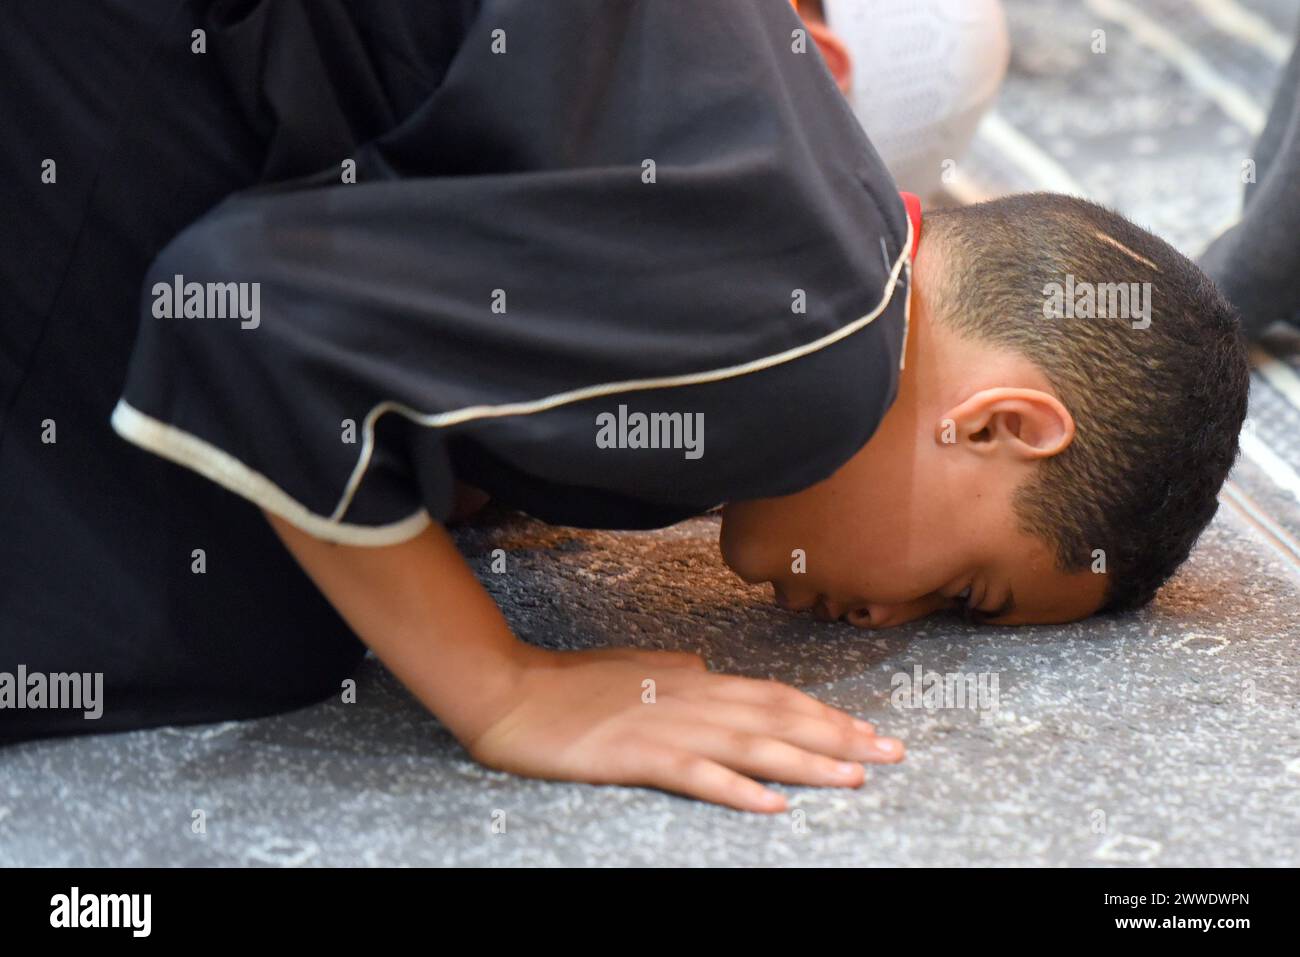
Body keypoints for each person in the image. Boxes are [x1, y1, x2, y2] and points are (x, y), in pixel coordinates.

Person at [2, 0, 1248, 814]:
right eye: (964, 592)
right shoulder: (816, 367)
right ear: (999, 423)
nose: (880, 619)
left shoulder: (832, 205)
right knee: (250, 622)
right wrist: (504, 690)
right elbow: (238, 304)